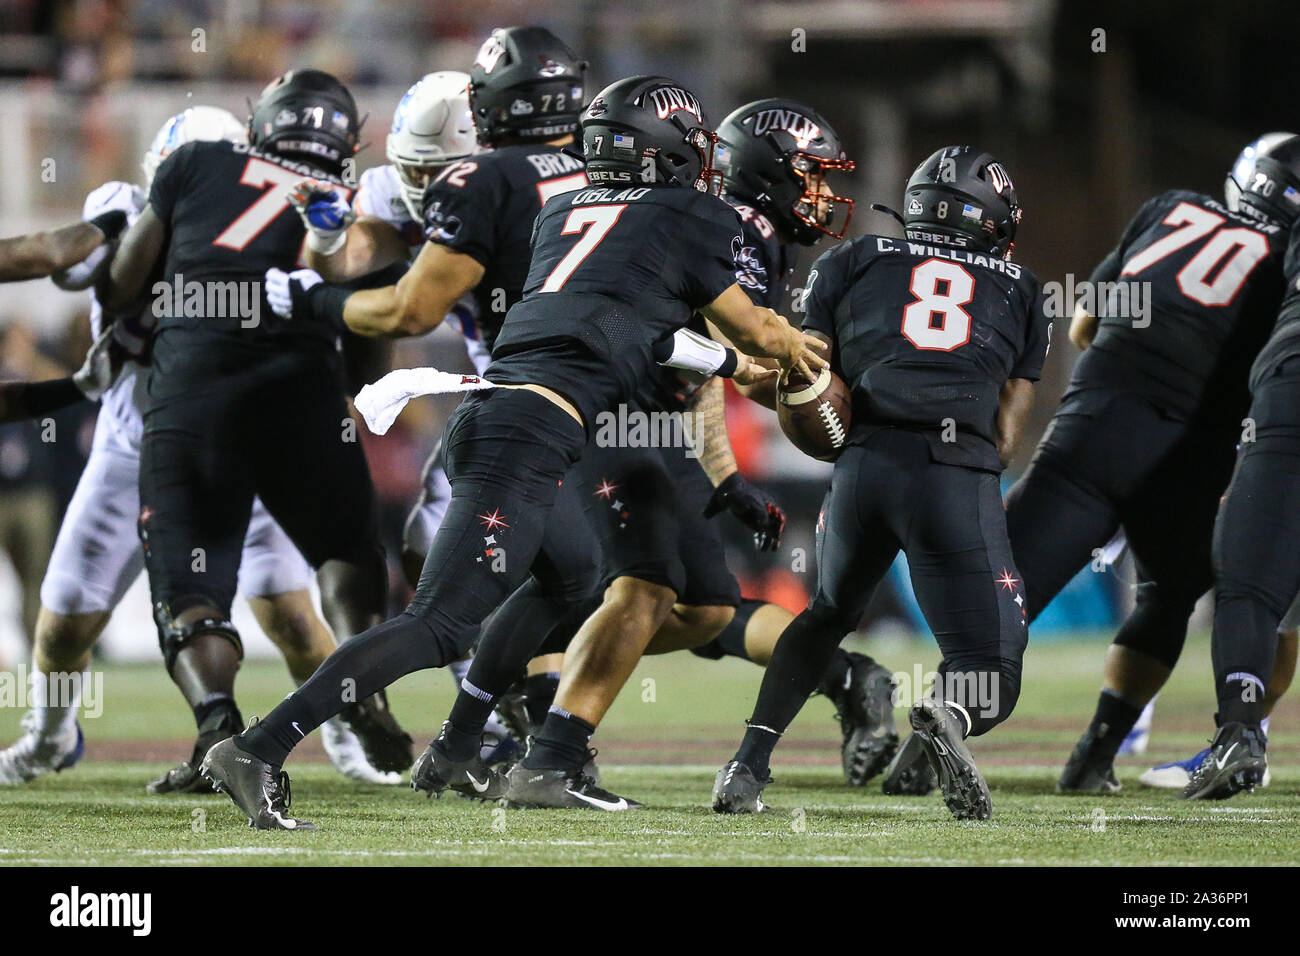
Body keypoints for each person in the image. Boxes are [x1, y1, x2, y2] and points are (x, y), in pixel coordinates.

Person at [199, 74, 823, 830]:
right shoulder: (687, 213)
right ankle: (259, 747)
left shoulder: (564, 211)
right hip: (529, 435)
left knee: (572, 578)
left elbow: (640, 334)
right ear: (667, 152)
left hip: (503, 413)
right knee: (437, 627)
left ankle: (462, 744)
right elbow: (754, 330)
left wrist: (726, 367)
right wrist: (794, 348)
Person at [0, 106, 399, 789]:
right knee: (63, 625)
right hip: (133, 449)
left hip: (238, 441)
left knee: (293, 618)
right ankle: (47, 739)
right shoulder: (128, 215)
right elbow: (52, 252)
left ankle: (344, 742)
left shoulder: (274, 234)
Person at [96, 71, 416, 793]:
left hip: (192, 391)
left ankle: (217, 726)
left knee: (190, 584)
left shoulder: (196, 163)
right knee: (344, 552)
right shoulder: (355, 208)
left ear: (260, 122)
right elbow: (368, 359)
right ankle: (363, 688)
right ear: (347, 139)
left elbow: (121, 283)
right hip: (301, 392)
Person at [712, 146, 1050, 821]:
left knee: (826, 616)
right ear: (991, 221)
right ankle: (946, 714)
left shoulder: (852, 259)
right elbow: (1009, 433)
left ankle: (747, 765)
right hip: (954, 477)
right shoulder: (1020, 286)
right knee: (992, 663)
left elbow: (806, 376)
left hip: (863, 468)